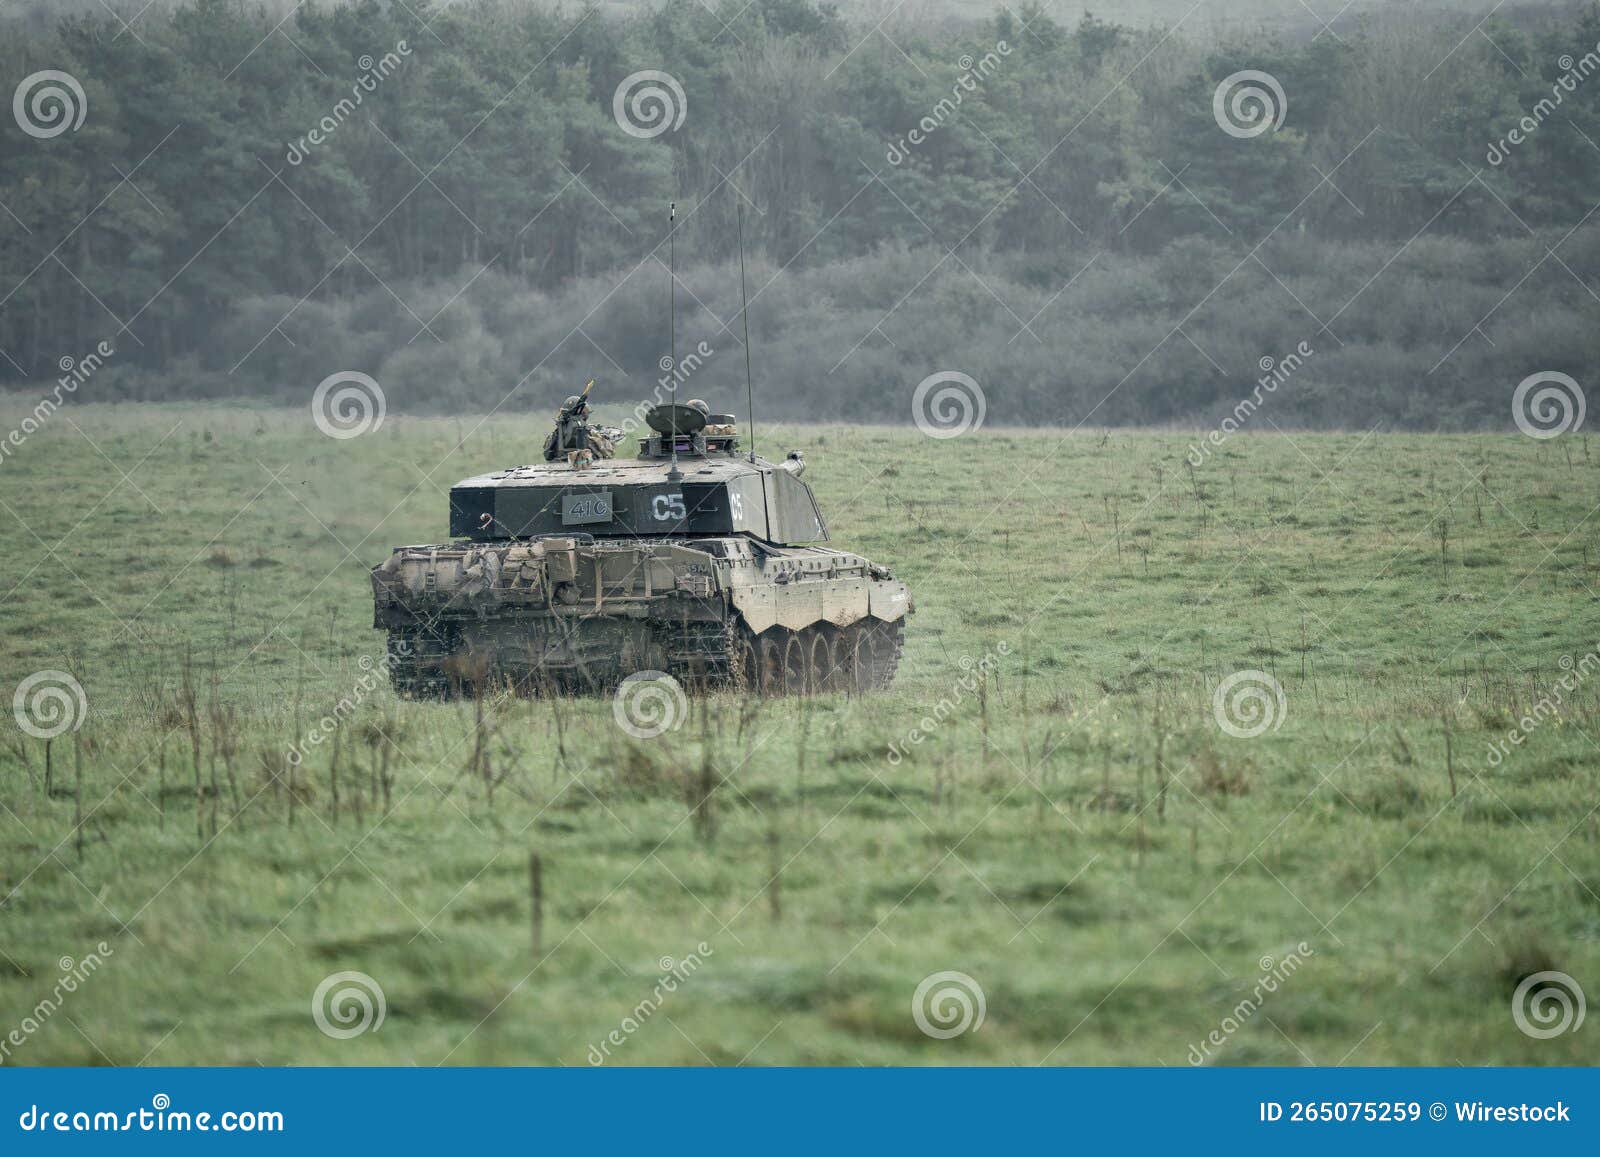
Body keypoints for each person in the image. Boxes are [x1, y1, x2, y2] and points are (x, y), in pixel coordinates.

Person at [542, 390, 614, 462]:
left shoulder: (555, 434)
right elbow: (606, 454)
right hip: (583, 466)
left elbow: (547, 455)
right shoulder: (586, 433)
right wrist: (606, 440)